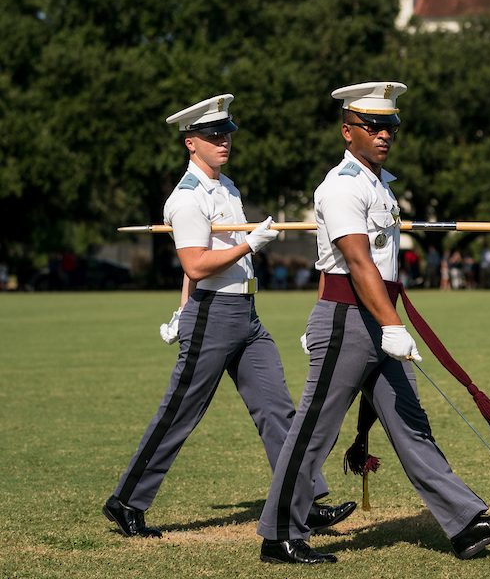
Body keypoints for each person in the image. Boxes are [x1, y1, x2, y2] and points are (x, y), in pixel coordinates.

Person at [256, 82, 490, 564]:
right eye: (372, 126)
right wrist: (391, 325)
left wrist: (388, 325)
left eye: (390, 127)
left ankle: (464, 524)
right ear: (347, 131)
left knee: (411, 425)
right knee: (314, 432)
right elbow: (356, 262)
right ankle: (279, 536)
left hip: (375, 319)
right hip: (351, 321)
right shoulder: (342, 186)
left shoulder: (378, 184)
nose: (384, 134)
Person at [104, 94, 352, 540]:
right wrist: (248, 245)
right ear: (190, 143)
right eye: (212, 135)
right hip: (214, 316)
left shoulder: (226, 188)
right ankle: (125, 502)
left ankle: (302, 501)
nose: (223, 141)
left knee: (278, 410)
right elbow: (195, 264)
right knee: (180, 413)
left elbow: (197, 264)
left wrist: (182, 305)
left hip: (246, 315)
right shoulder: (187, 198)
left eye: (226, 134)